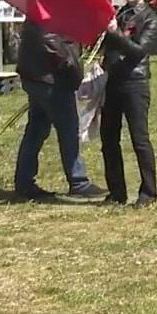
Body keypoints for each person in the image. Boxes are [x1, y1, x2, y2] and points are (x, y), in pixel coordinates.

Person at [14, 19, 99, 200]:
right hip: (51, 80)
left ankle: (24, 182)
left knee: (36, 130)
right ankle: (78, 182)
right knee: (68, 130)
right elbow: (50, 42)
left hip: (37, 77)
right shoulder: (49, 11)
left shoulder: (38, 8)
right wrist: (72, 69)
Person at [100, 0, 157, 208]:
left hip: (135, 83)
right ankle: (116, 192)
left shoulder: (150, 18)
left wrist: (114, 33)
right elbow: (107, 43)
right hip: (113, 82)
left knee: (139, 139)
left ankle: (148, 192)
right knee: (108, 138)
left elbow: (137, 50)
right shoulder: (119, 14)